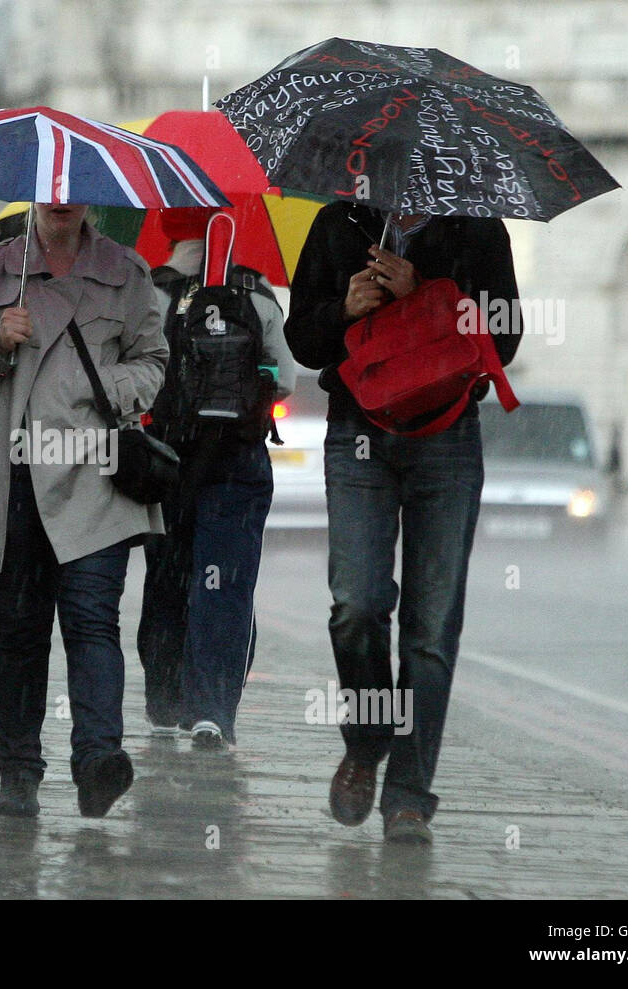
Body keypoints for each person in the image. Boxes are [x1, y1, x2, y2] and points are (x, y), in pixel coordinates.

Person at [285, 202, 520, 844]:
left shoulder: (476, 231)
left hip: (447, 435)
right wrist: (344, 309)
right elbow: (303, 340)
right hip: (360, 431)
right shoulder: (340, 224)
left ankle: (409, 795)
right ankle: (367, 739)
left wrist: (428, 297)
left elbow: (504, 337)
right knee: (356, 602)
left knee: (432, 624)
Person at [0, 202, 167, 819]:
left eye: (74, 186)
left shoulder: (127, 272)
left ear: (89, 197)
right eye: (51, 185)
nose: (62, 198)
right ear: (36, 195)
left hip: (95, 474)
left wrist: (100, 392)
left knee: (93, 621)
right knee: (19, 628)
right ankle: (18, 770)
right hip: (13, 474)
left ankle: (98, 760)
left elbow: (154, 362)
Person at [138, 209, 296, 751]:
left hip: (166, 461)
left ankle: (164, 703)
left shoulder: (149, 290)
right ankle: (213, 711)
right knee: (224, 581)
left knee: (166, 578)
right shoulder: (256, 290)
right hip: (238, 460)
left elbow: (136, 375)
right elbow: (287, 377)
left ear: (166, 227)